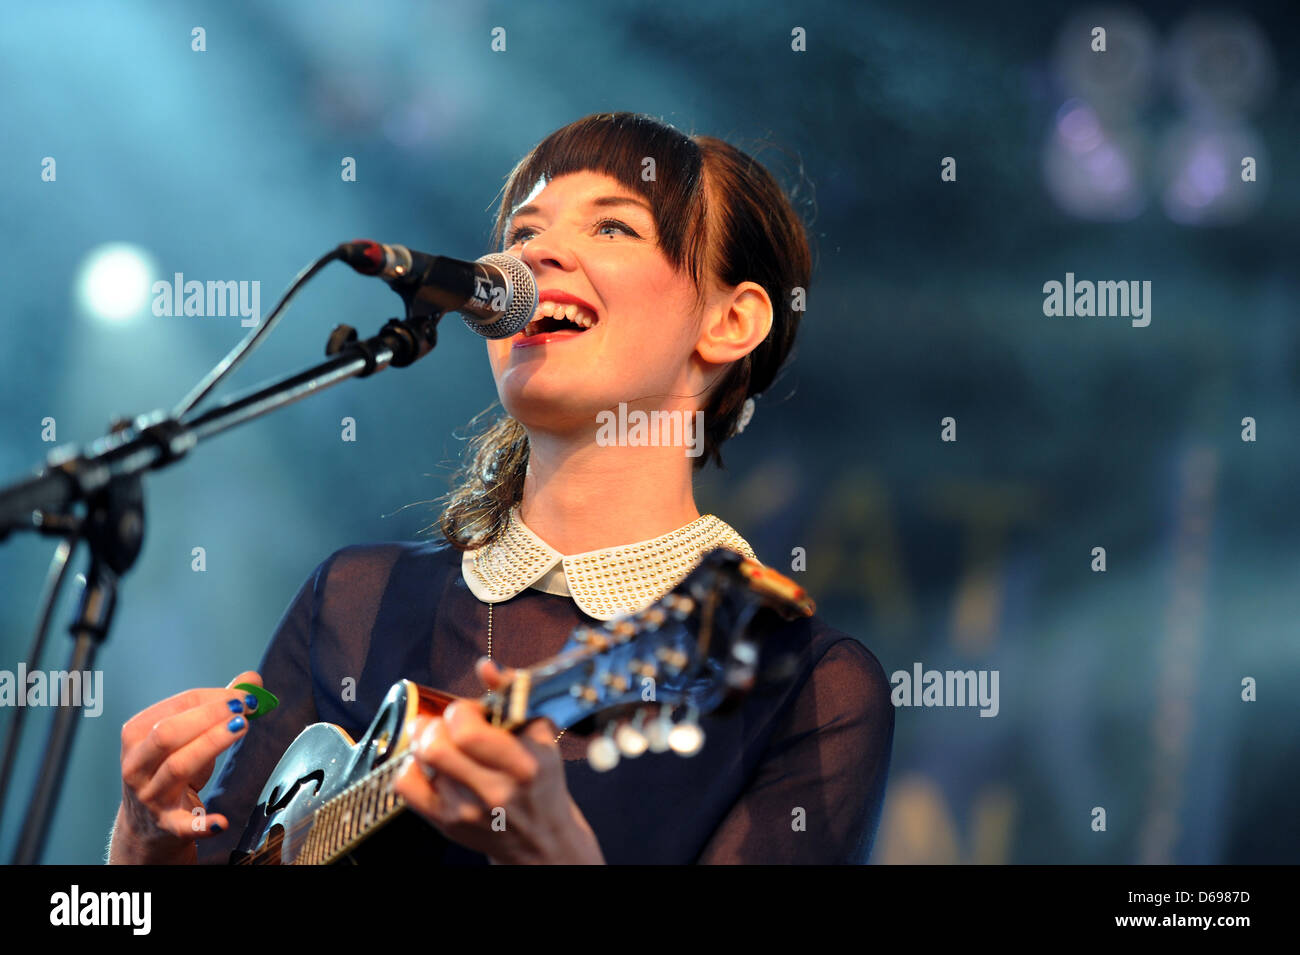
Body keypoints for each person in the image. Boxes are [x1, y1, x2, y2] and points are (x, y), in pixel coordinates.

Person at [108, 112, 894, 865]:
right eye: (523, 233)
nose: (535, 257)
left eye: (612, 226)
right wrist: (144, 842)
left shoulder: (806, 686)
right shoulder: (353, 599)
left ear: (730, 320)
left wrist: (555, 853)